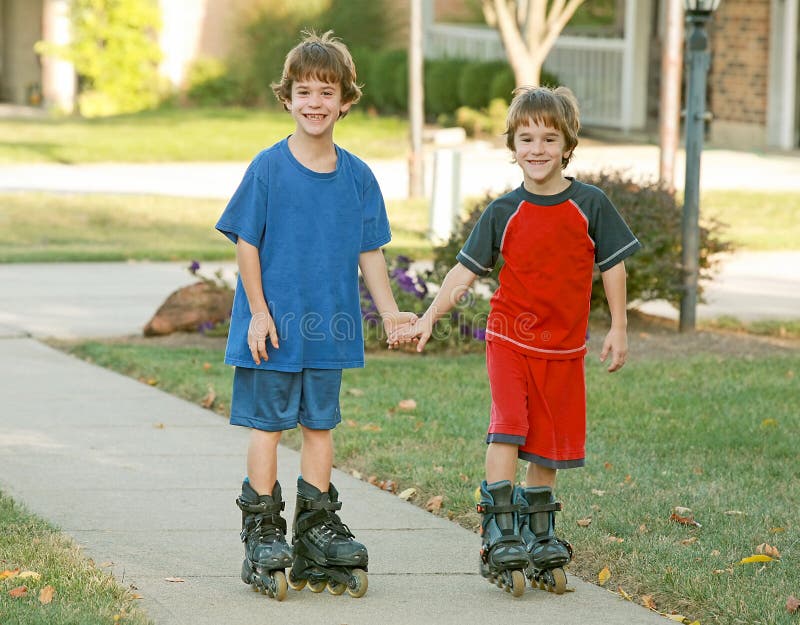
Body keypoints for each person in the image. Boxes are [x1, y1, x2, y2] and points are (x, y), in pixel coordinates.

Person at [391, 85, 641, 596]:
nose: (538, 149)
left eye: (549, 138)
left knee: (547, 447)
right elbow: (464, 272)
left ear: (568, 145)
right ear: (512, 146)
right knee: (507, 429)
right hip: (509, 339)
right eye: (526, 138)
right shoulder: (504, 211)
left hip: (564, 349)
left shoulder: (590, 204)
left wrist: (618, 326)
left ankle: (538, 531)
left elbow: (613, 265)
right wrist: (431, 317)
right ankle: (500, 532)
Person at [215, 30, 416, 601]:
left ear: (346, 101)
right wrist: (258, 313)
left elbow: (370, 251)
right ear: (287, 98)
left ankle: (315, 529)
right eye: (304, 91)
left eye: (327, 92)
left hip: (329, 328)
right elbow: (246, 243)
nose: (315, 102)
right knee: (268, 426)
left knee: (320, 426)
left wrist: (390, 313)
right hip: (272, 329)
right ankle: (263, 531)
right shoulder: (268, 167)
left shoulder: (358, 177)